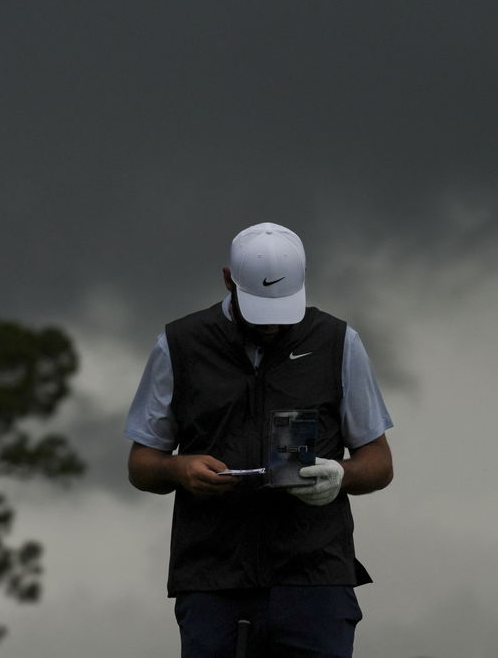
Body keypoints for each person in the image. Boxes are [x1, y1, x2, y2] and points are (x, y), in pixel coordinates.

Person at [125, 222, 394, 658]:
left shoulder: (339, 342)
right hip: (214, 581)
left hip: (314, 580)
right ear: (228, 279)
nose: (271, 326)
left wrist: (340, 476)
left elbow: (380, 462)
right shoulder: (178, 344)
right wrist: (179, 468)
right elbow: (141, 465)